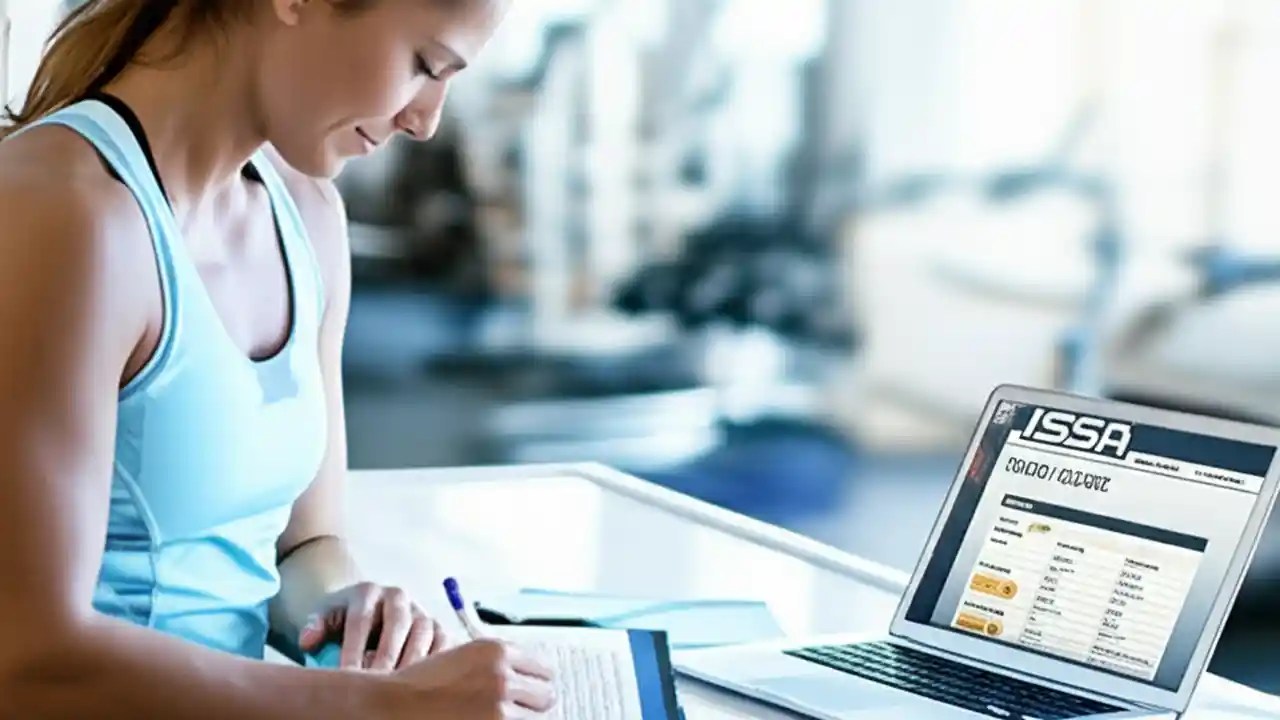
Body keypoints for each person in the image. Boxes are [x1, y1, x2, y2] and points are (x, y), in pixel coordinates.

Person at [0, 1, 555, 717]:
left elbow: (304, 543)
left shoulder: (310, 218)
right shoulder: (64, 216)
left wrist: (345, 610)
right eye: (423, 65)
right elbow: (28, 657)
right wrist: (383, 707)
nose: (427, 120)